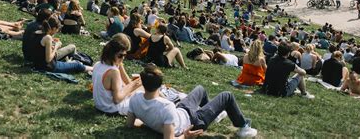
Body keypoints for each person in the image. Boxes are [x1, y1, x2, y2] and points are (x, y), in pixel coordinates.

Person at [126, 65, 258, 138]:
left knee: (200, 89)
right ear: (160, 85)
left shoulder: (135, 99)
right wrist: (185, 136)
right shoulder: (166, 107)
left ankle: (215, 115)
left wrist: (148, 122)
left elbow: (130, 124)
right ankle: (243, 127)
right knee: (227, 95)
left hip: (181, 111)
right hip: (194, 122)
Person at [92, 35, 142, 115]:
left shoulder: (98, 64)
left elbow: (125, 83)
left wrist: (132, 85)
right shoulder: (113, 72)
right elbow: (117, 99)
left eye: (124, 55)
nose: (123, 58)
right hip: (112, 109)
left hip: (100, 106)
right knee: (145, 95)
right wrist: (133, 85)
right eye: (120, 56)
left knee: (141, 88)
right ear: (111, 54)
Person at [27, 14, 92, 73]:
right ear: (54, 28)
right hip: (48, 67)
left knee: (71, 54)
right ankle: (94, 69)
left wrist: (51, 44)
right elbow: (48, 60)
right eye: (57, 30)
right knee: (77, 65)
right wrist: (56, 46)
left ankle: (71, 62)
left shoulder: (37, 32)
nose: (56, 32)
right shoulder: (47, 38)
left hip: (37, 64)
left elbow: (39, 49)